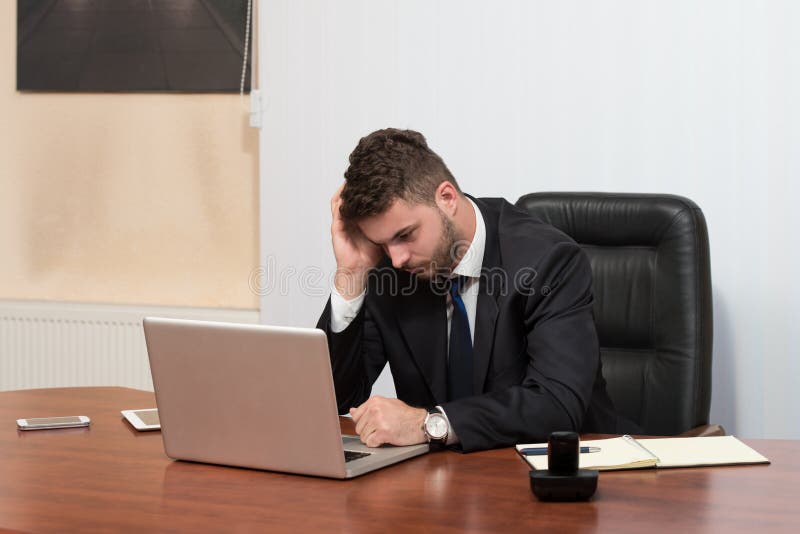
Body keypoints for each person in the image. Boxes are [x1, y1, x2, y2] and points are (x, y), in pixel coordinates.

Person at [317, 128, 621, 452]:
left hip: (554, 473)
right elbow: (337, 399)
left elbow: (557, 404)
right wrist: (352, 274)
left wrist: (429, 424)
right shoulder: (392, 266)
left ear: (446, 199)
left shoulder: (548, 261)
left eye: (406, 235)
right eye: (383, 243)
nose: (396, 257)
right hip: (442, 480)